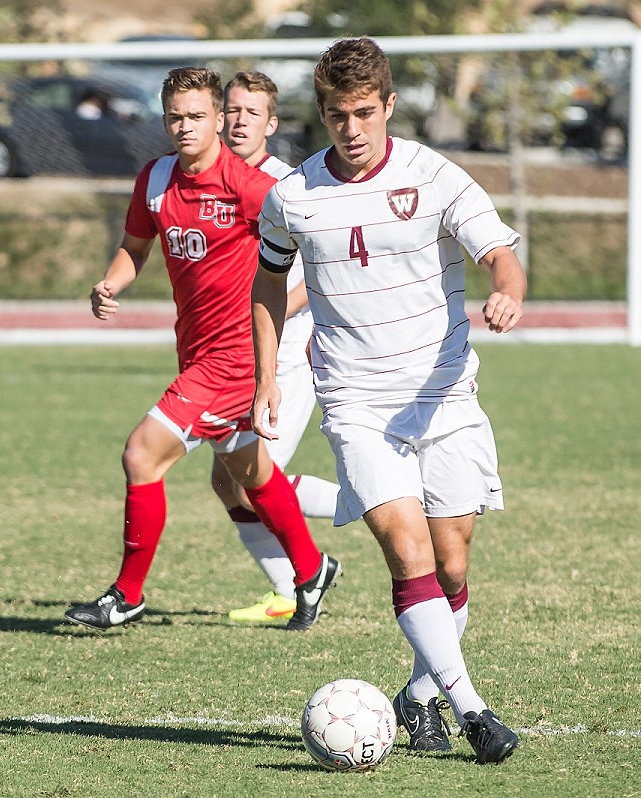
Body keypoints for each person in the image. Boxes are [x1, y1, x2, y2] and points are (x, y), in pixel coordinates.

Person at [251, 38, 524, 764]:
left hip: (443, 397)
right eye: (338, 115)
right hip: (357, 401)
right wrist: (266, 373)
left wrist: (506, 290)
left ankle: (421, 694)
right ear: (323, 113)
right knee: (407, 553)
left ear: (390, 106)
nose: (352, 128)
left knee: (452, 562)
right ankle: (474, 712)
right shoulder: (293, 196)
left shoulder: (435, 177)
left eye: (365, 113)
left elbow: (500, 253)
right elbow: (270, 282)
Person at [65, 66, 339, 633]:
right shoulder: (156, 178)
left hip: (234, 358)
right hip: (195, 350)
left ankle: (128, 594)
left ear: (218, 119)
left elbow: (319, 242)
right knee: (248, 472)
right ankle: (310, 570)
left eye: (196, 117)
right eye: (174, 117)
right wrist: (112, 282)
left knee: (142, 455)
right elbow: (133, 247)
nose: (184, 127)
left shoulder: (249, 185)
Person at [217, 71, 341, 625]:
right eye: (232, 109)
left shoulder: (288, 187)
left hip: (284, 355)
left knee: (254, 475)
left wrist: (261, 314)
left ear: (270, 124)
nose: (239, 120)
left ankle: (383, 502)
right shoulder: (205, 178)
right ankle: (291, 586)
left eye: (252, 112)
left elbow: (310, 273)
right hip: (232, 355)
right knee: (230, 478)